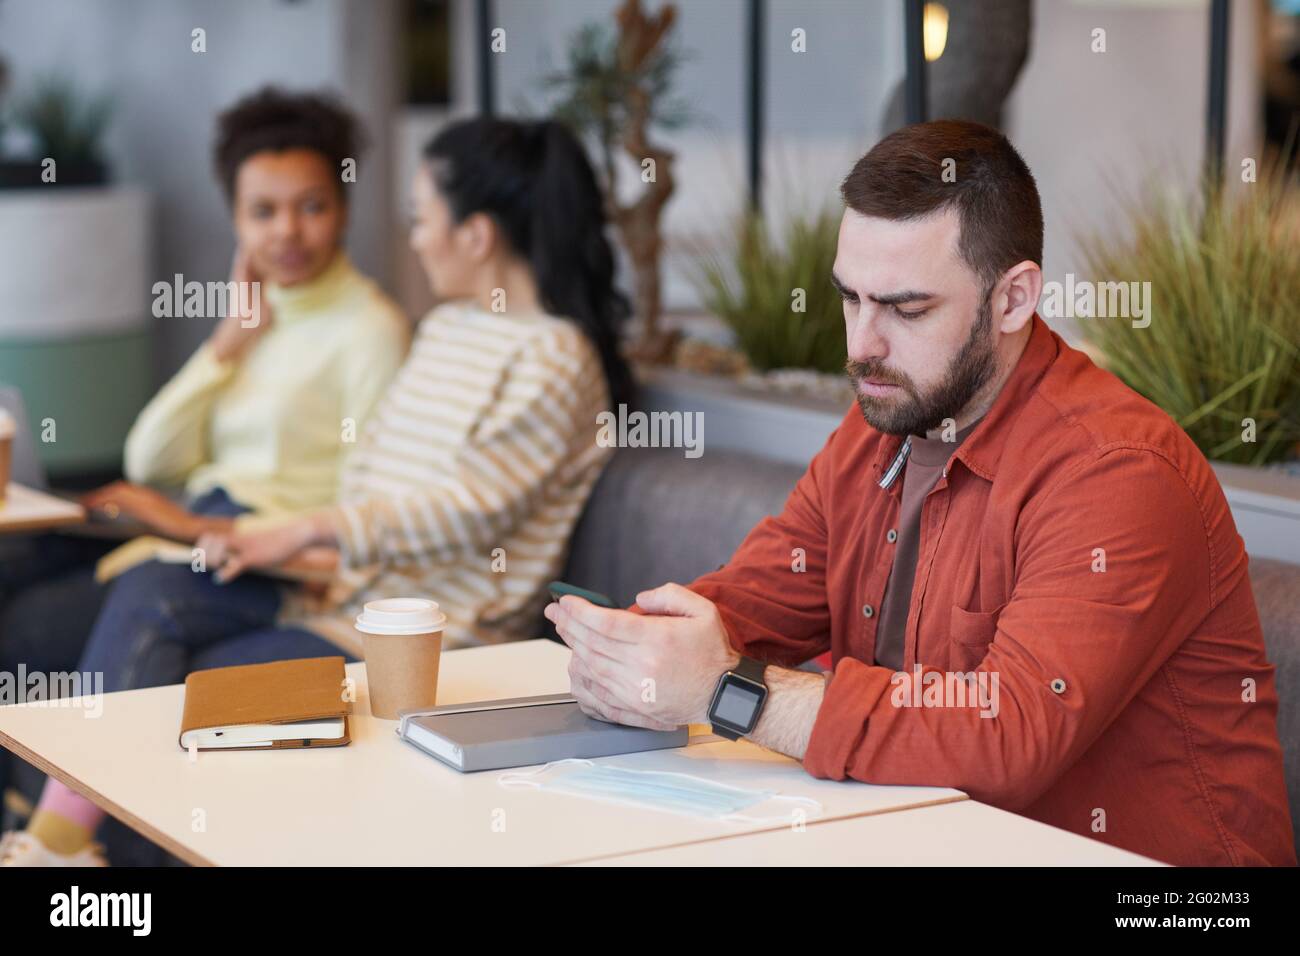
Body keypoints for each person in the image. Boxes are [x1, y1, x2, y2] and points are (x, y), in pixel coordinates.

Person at [545, 120, 1296, 867]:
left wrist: (726, 691)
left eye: (907, 310)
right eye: (850, 299)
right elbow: (756, 602)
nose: (862, 345)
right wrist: (636, 645)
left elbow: (1007, 732)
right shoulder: (885, 421)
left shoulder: (1118, 472)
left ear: (1014, 300)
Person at [1, 116, 632, 865]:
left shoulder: (554, 358)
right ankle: (67, 851)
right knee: (148, 612)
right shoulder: (450, 329)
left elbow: (469, 510)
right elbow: (371, 471)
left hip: (430, 640)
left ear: (477, 235)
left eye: (421, 219)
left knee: (197, 690)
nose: (416, 239)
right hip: (344, 599)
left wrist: (299, 532)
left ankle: (67, 852)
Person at [0, 86, 408, 858]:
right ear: (236, 218)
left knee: (149, 598)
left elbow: (366, 505)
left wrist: (206, 529)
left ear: (344, 210)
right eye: (264, 211)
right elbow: (150, 459)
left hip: (272, 559)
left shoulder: (369, 330)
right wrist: (225, 345)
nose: (287, 230)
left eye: (312, 206)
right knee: (14, 584)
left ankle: (60, 845)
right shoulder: (257, 317)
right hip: (184, 537)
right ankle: (27, 819)